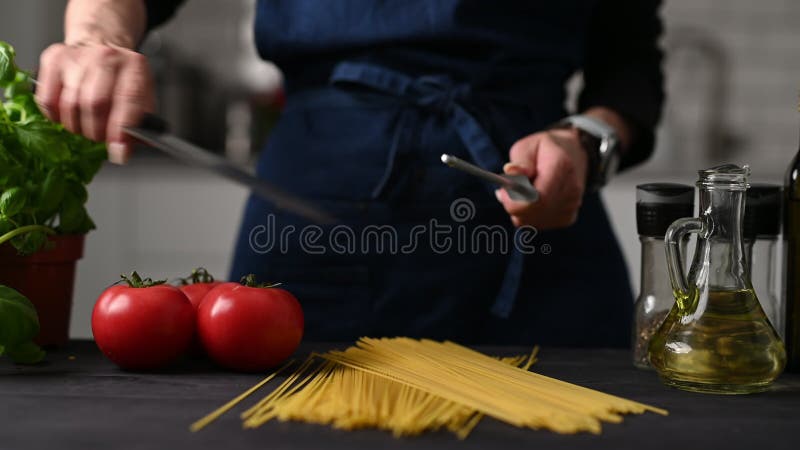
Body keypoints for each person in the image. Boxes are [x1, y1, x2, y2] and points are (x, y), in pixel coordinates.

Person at [37, 0, 664, 347]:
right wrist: (95, 37)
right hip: (322, 184)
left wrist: (585, 139)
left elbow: (630, 64)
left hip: (537, 220)